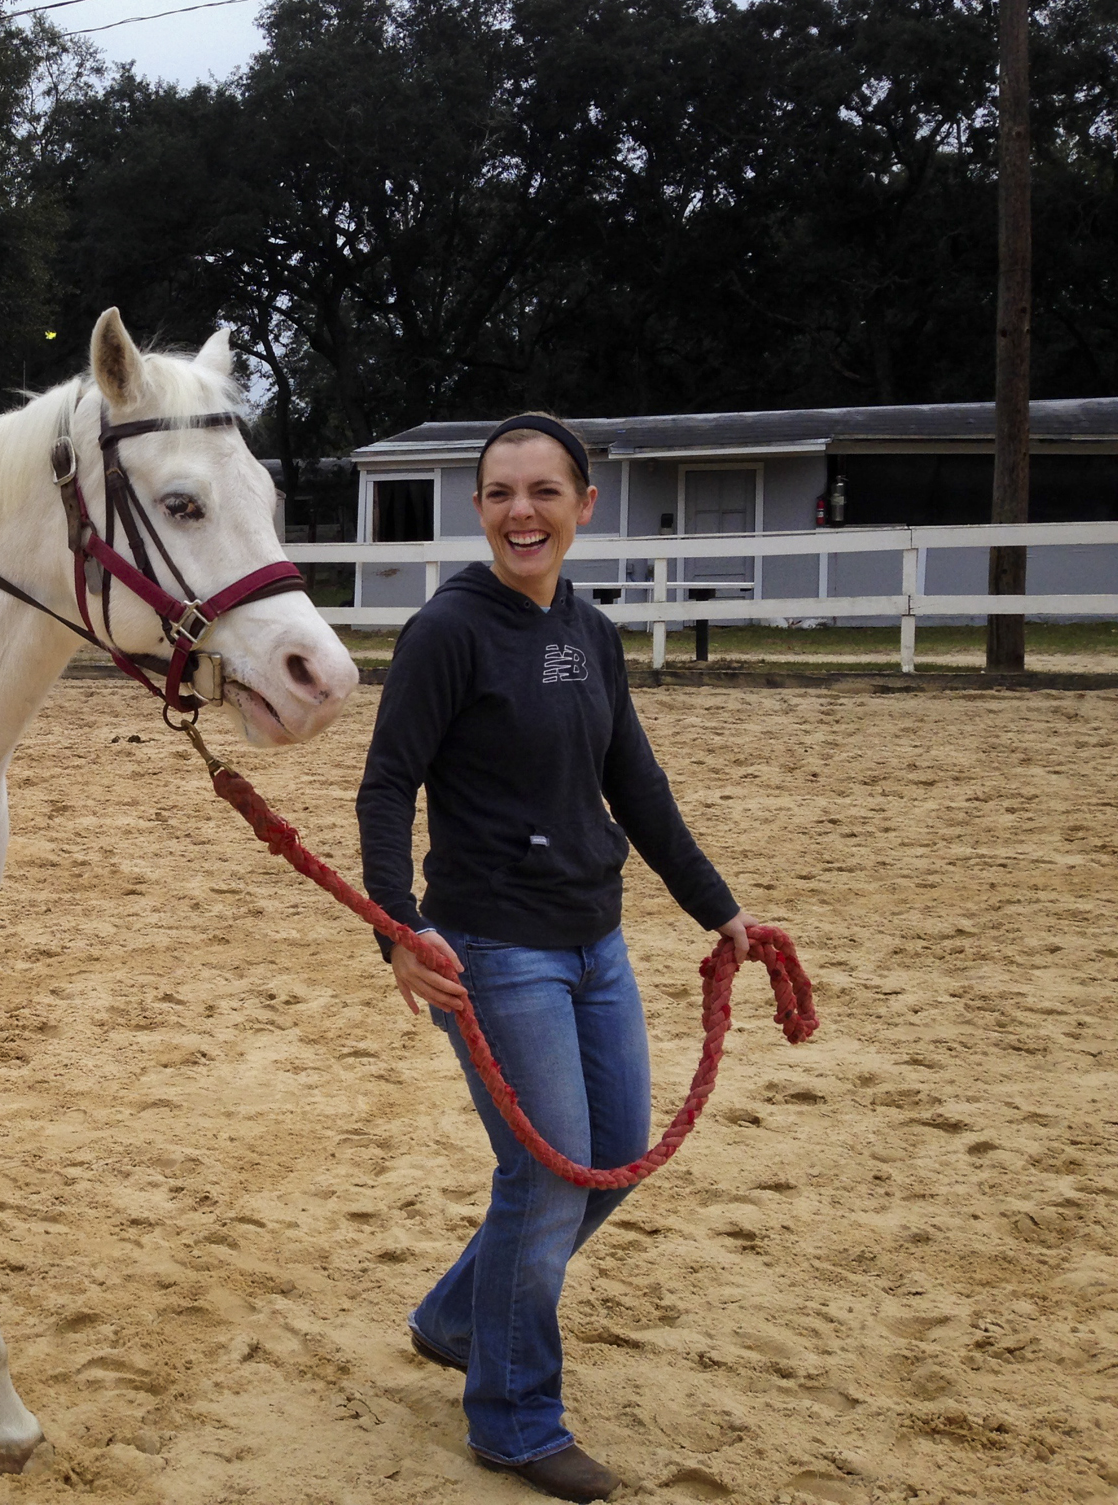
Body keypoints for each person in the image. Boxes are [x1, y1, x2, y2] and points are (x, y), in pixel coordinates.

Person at [355, 414, 761, 1502]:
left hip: (596, 937)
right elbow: (387, 785)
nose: (520, 512)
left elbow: (635, 781)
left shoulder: (588, 628)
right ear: (478, 509)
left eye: (542, 491)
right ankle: (515, 1418)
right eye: (499, 493)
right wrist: (397, 926)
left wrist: (717, 908)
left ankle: (457, 1319)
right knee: (543, 1175)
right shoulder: (449, 630)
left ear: (585, 502)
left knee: (614, 1153)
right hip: (493, 946)